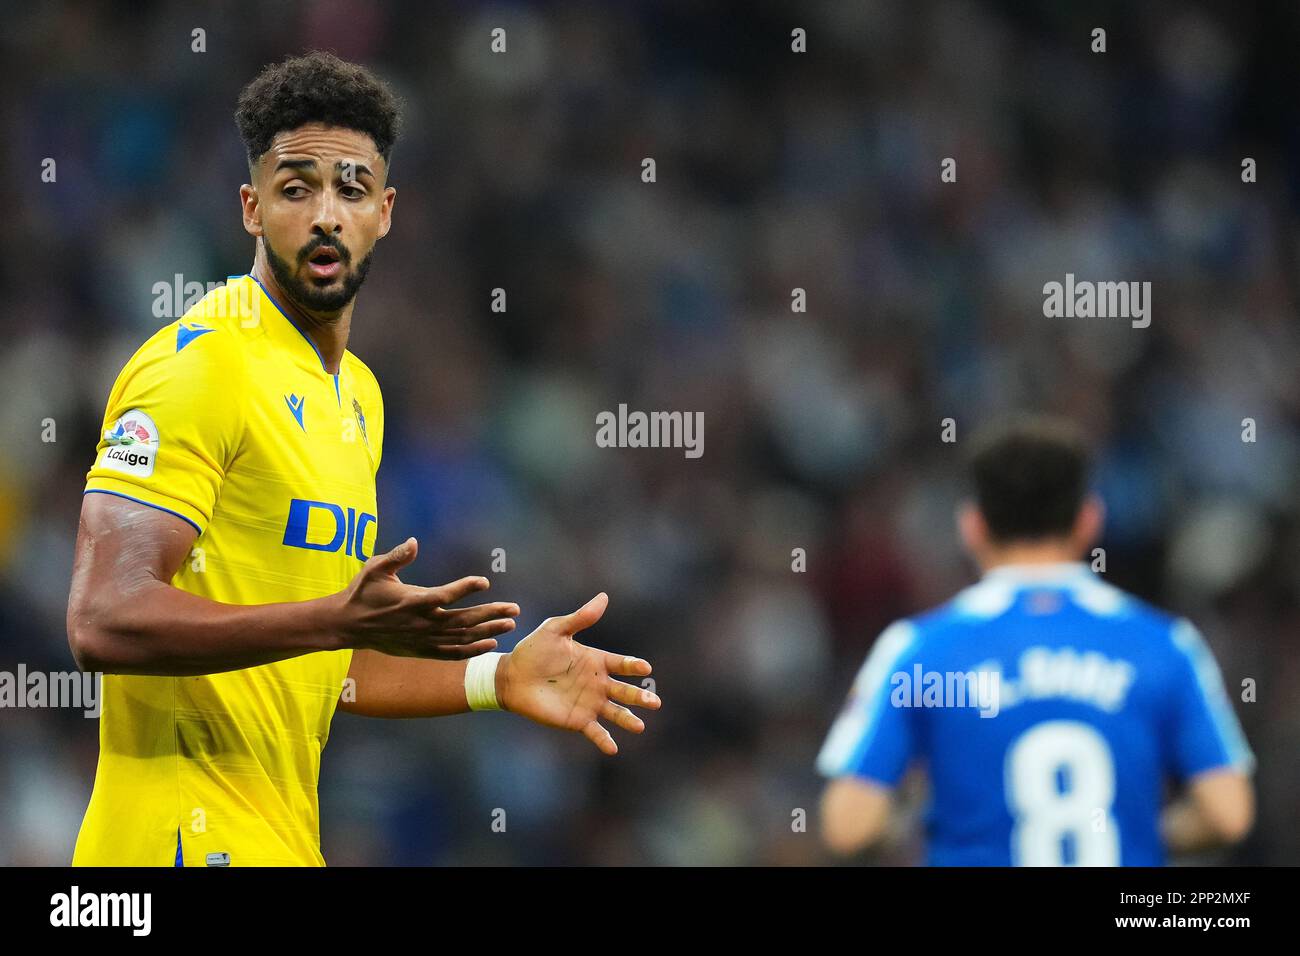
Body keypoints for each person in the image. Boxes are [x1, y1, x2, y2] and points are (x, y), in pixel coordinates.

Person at [67, 51, 659, 867]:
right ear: (250, 208)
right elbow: (100, 620)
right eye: (295, 187)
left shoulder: (360, 399)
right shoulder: (197, 368)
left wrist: (495, 681)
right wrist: (328, 619)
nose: (324, 216)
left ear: (384, 212)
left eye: (349, 189)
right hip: (170, 844)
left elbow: (323, 668)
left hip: (281, 844)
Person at [817, 417, 1254, 865]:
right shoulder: (1167, 647)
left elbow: (848, 825)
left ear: (972, 526)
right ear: (1090, 520)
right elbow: (1228, 814)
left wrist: (923, 826)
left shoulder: (920, 651)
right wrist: (1140, 831)